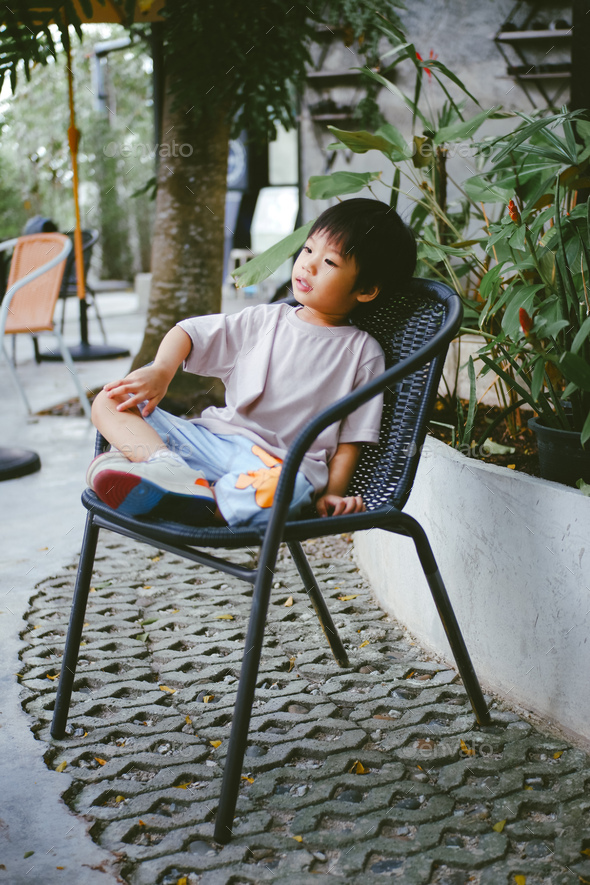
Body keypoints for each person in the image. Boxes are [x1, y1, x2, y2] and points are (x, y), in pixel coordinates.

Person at [87, 198, 417, 527]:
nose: (308, 265)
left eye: (330, 262)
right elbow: (188, 332)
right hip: (212, 443)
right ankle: (163, 467)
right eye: (307, 250)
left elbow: (351, 441)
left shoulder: (363, 353)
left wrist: (331, 493)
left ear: (367, 289)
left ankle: (202, 502)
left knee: (294, 489)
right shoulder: (264, 319)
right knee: (110, 399)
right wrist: (161, 371)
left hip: (279, 468)